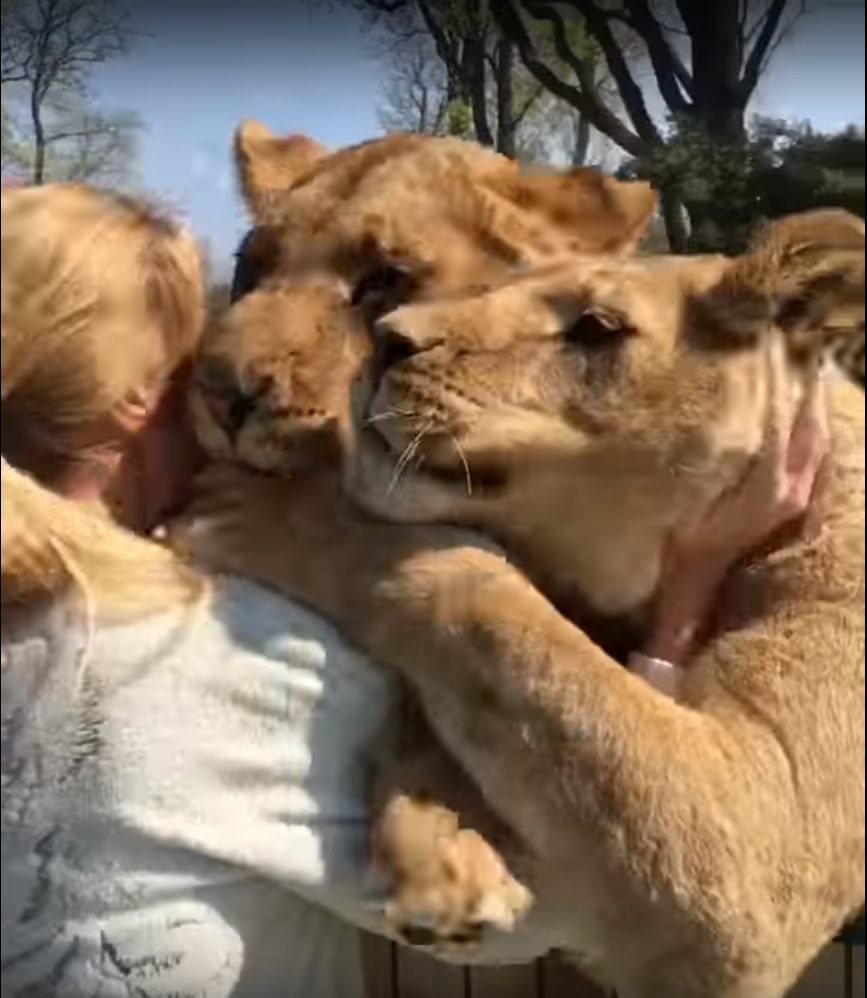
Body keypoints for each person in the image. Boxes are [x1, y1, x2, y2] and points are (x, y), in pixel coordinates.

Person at [1, 181, 830, 998]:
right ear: (137, 399)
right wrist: (686, 600)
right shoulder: (242, 657)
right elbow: (629, 907)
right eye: (199, 367)